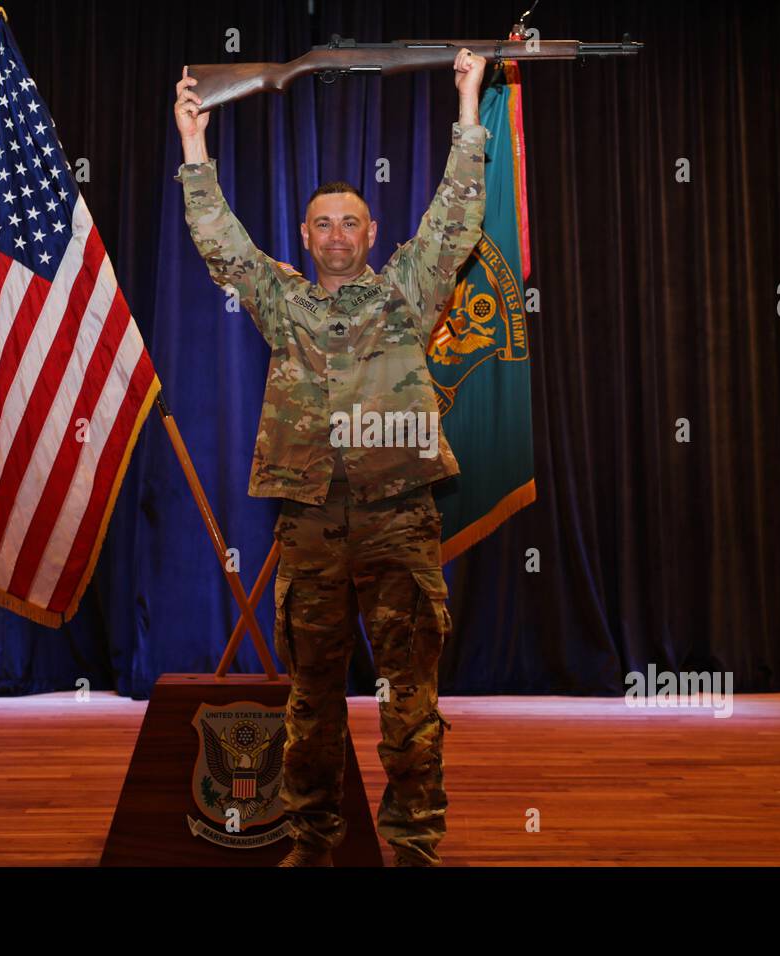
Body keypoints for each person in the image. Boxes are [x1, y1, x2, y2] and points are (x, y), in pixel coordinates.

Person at [172, 48, 488, 867]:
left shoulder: (407, 293)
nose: (338, 235)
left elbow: (456, 218)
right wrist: (195, 149)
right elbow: (222, 246)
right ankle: (312, 841)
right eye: (324, 223)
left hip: (398, 524)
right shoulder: (282, 303)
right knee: (310, 699)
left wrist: (467, 100)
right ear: (305, 236)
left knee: (410, 700)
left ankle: (413, 845)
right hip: (310, 525)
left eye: (352, 221)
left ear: (371, 232)